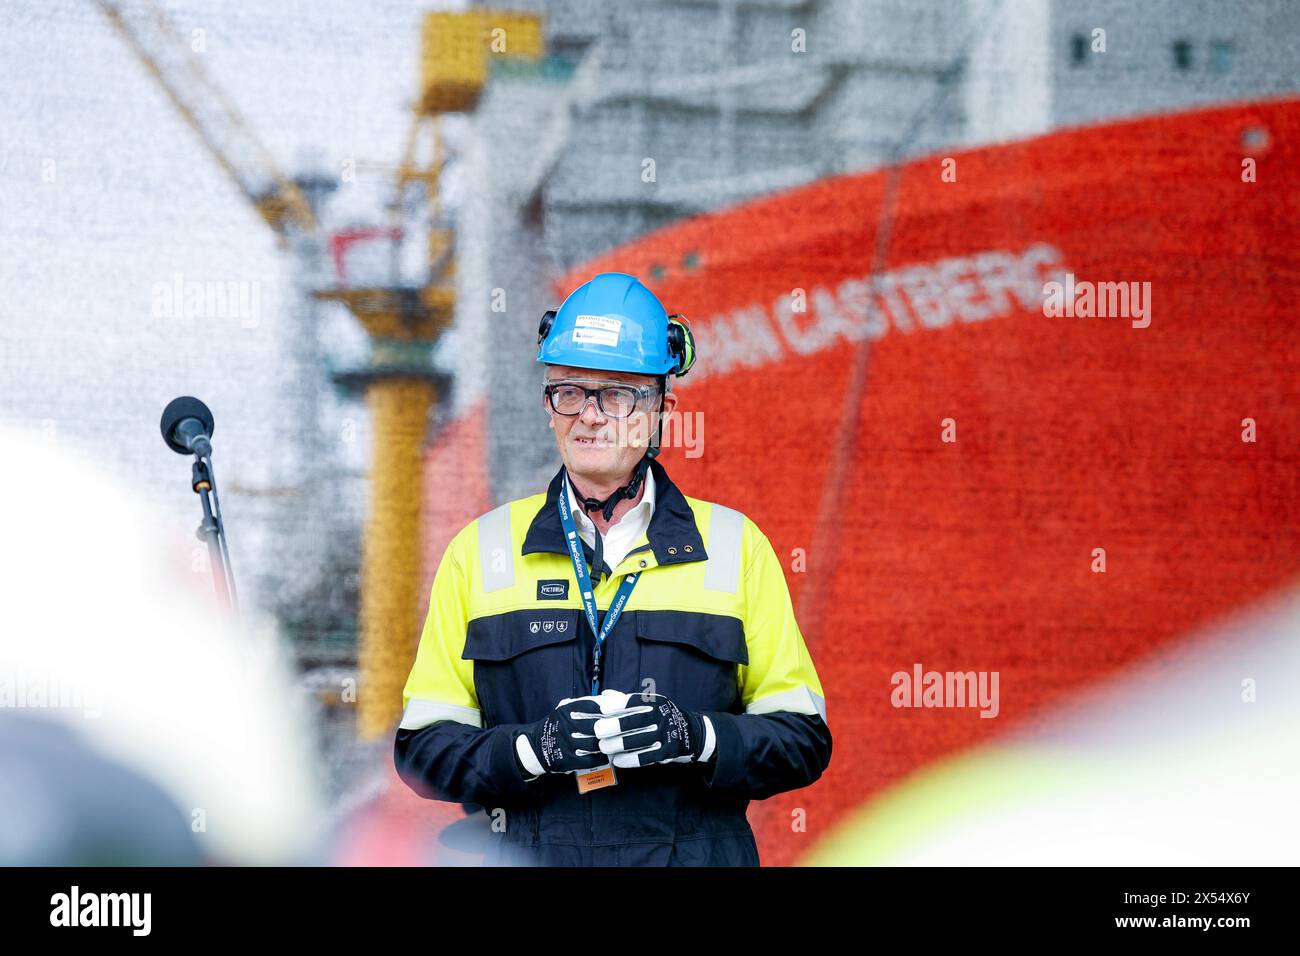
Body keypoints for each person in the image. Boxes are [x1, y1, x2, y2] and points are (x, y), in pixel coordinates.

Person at [394, 271, 831, 866]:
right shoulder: (482, 551)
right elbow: (423, 749)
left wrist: (696, 737)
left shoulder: (735, 547)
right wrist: (530, 749)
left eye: (617, 393)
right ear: (550, 407)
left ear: (661, 410)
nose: (590, 416)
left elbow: (802, 739)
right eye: (569, 391)